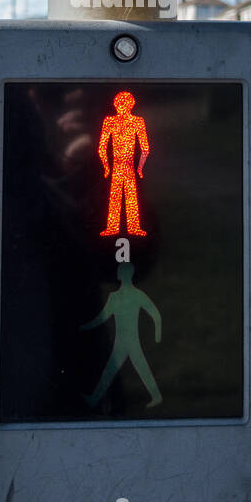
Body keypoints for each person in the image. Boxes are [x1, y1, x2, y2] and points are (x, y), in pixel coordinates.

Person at [81, 264, 162, 408]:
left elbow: (155, 315)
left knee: (122, 371)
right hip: (123, 342)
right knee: (112, 371)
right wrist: (86, 326)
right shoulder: (120, 296)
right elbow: (101, 318)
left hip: (130, 342)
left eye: (119, 272)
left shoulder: (130, 296)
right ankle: (95, 398)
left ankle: (156, 397)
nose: (117, 274)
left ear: (122, 275)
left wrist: (158, 334)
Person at [98, 90, 149, 236]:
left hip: (122, 166)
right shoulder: (136, 122)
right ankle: (126, 227)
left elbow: (101, 148)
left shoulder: (111, 121)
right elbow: (145, 149)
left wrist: (106, 167)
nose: (121, 107)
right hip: (126, 166)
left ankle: (119, 227)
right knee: (125, 196)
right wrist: (140, 168)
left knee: (120, 197)